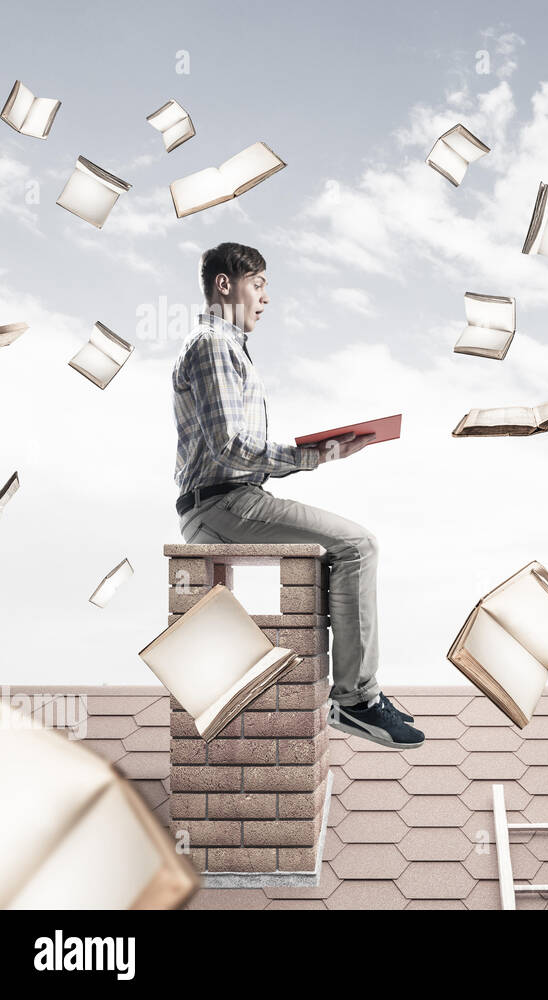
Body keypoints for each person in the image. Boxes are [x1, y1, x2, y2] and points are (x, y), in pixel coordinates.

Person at [172, 242, 423, 749]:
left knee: (344, 548)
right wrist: (316, 455)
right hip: (223, 504)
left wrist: (321, 451)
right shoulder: (214, 344)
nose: (266, 298)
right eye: (258, 284)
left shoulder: (227, 347)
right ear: (226, 284)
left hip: (229, 499)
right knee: (358, 546)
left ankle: (356, 692)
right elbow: (230, 449)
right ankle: (355, 701)